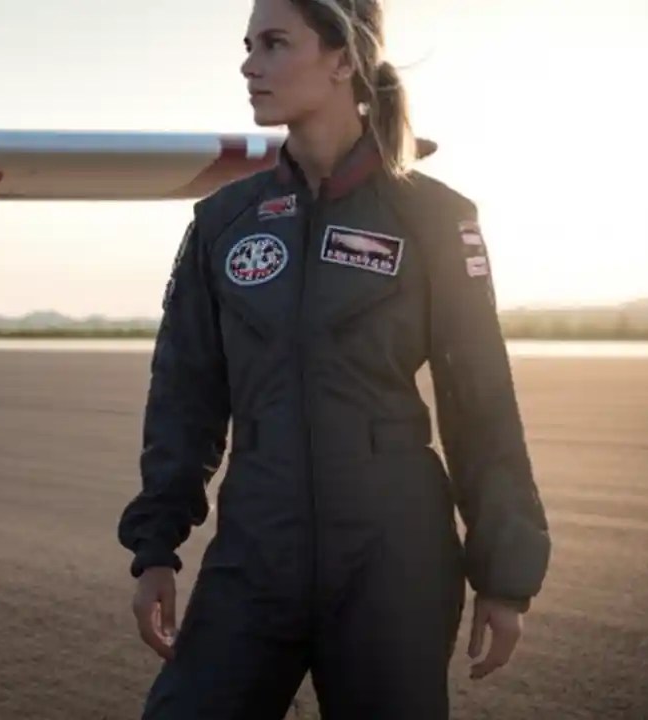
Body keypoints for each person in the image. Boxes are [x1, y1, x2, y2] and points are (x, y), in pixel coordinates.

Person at [116, 0, 552, 717]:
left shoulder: (435, 219)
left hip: (394, 561)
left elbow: (480, 402)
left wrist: (504, 577)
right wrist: (156, 546)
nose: (248, 63)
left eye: (275, 43)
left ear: (344, 58)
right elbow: (185, 397)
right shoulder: (224, 223)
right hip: (254, 552)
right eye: (249, 44)